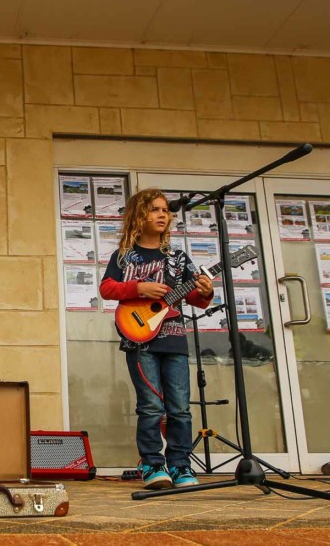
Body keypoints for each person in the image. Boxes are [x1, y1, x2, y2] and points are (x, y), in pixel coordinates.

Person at [99, 188, 213, 490]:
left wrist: (205, 291)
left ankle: (180, 466)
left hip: (174, 339)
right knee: (151, 406)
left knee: (180, 408)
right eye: (154, 210)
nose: (162, 215)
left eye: (165, 210)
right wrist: (140, 288)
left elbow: (195, 299)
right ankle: (152, 464)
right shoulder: (124, 256)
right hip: (139, 341)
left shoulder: (178, 257)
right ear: (139, 216)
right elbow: (107, 288)